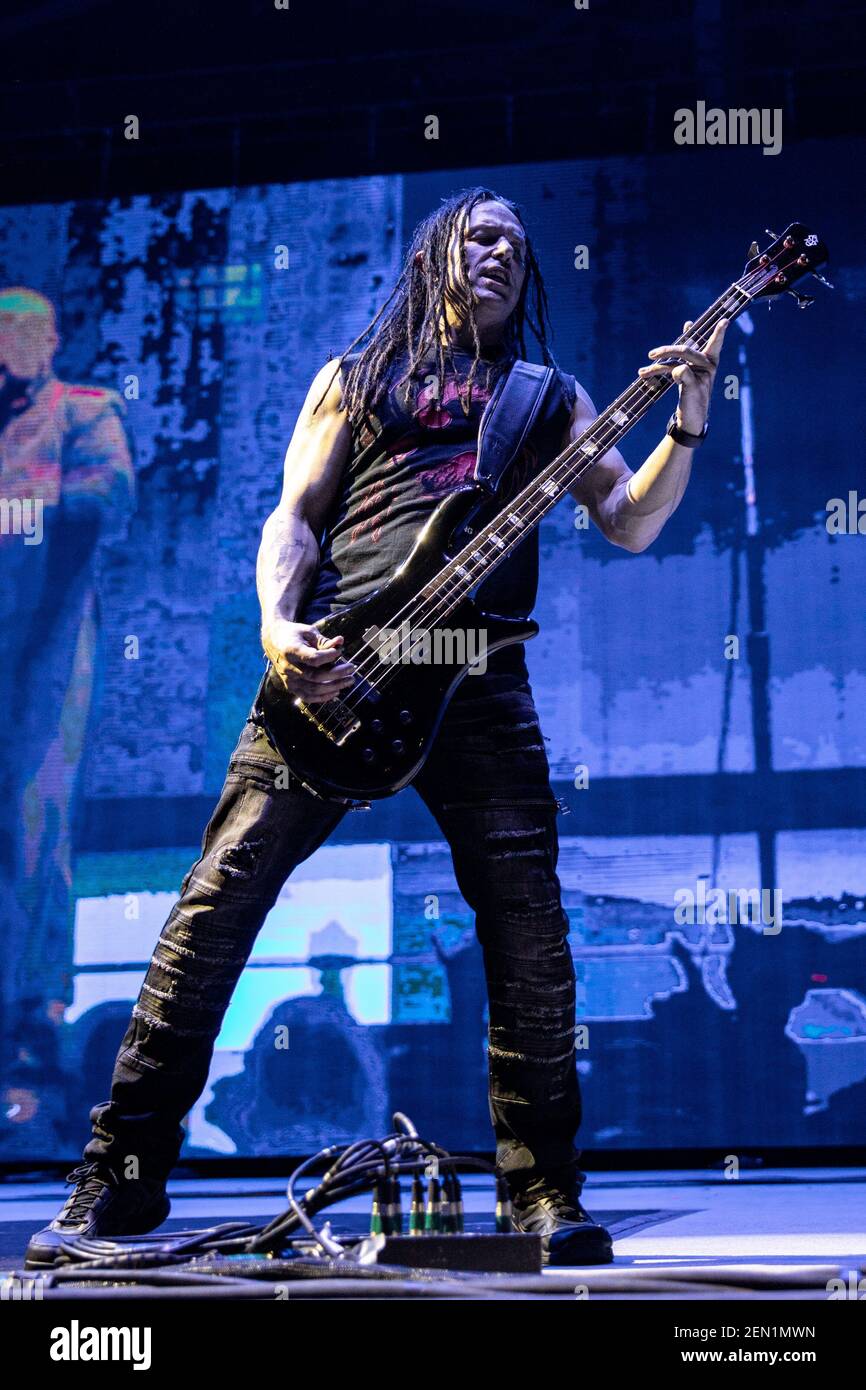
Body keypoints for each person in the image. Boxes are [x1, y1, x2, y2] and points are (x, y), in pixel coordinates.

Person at [26, 187, 727, 1268]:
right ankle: (115, 1180)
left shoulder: (549, 397)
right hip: (333, 670)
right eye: (480, 233)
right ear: (436, 251)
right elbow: (295, 520)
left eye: (516, 245)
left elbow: (629, 519)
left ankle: (540, 1192)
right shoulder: (356, 378)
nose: (499, 252)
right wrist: (273, 628)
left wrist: (684, 415)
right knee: (209, 914)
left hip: (479, 676)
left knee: (528, 938)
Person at [0, 287, 134, 1156]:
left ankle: (31, 1008)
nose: (18, 343)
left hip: (44, 634)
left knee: (33, 819)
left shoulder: (83, 411)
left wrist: (14, 514)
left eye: (29, 329)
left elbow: (106, 501)